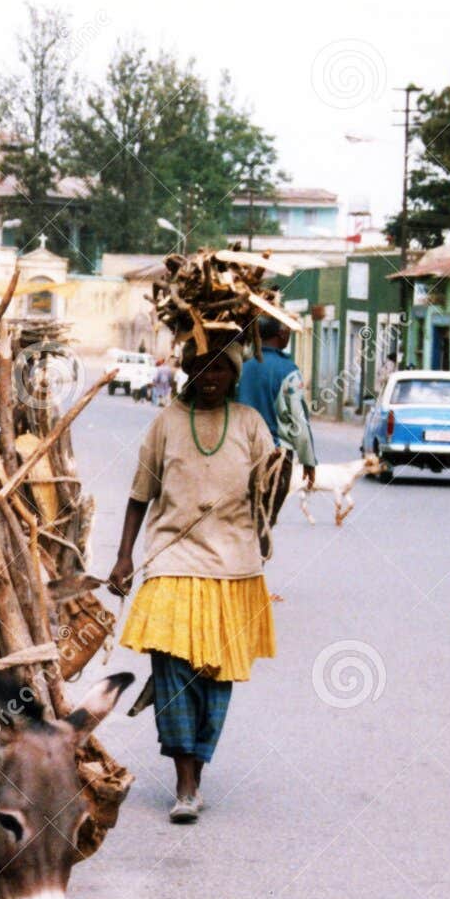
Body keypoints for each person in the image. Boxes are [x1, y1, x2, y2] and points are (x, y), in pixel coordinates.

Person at [107, 336, 277, 825]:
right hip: (172, 560)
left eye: (220, 369)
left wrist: (268, 521)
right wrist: (123, 557)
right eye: (200, 369)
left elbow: (269, 489)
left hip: (232, 566)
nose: (210, 379)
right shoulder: (165, 424)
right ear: (185, 372)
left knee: (215, 676)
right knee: (173, 668)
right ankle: (184, 784)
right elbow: (140, 494)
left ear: (234, 375)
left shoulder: (249, 423)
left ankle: (196, 770)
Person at [235, 316, 316, 487]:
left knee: (239, 511)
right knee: (267, 512)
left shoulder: (241, 366)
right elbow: (298, 418)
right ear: (282, 334)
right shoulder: (287, 370)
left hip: (239, 452)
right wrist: (308, 460)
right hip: (275, 457)